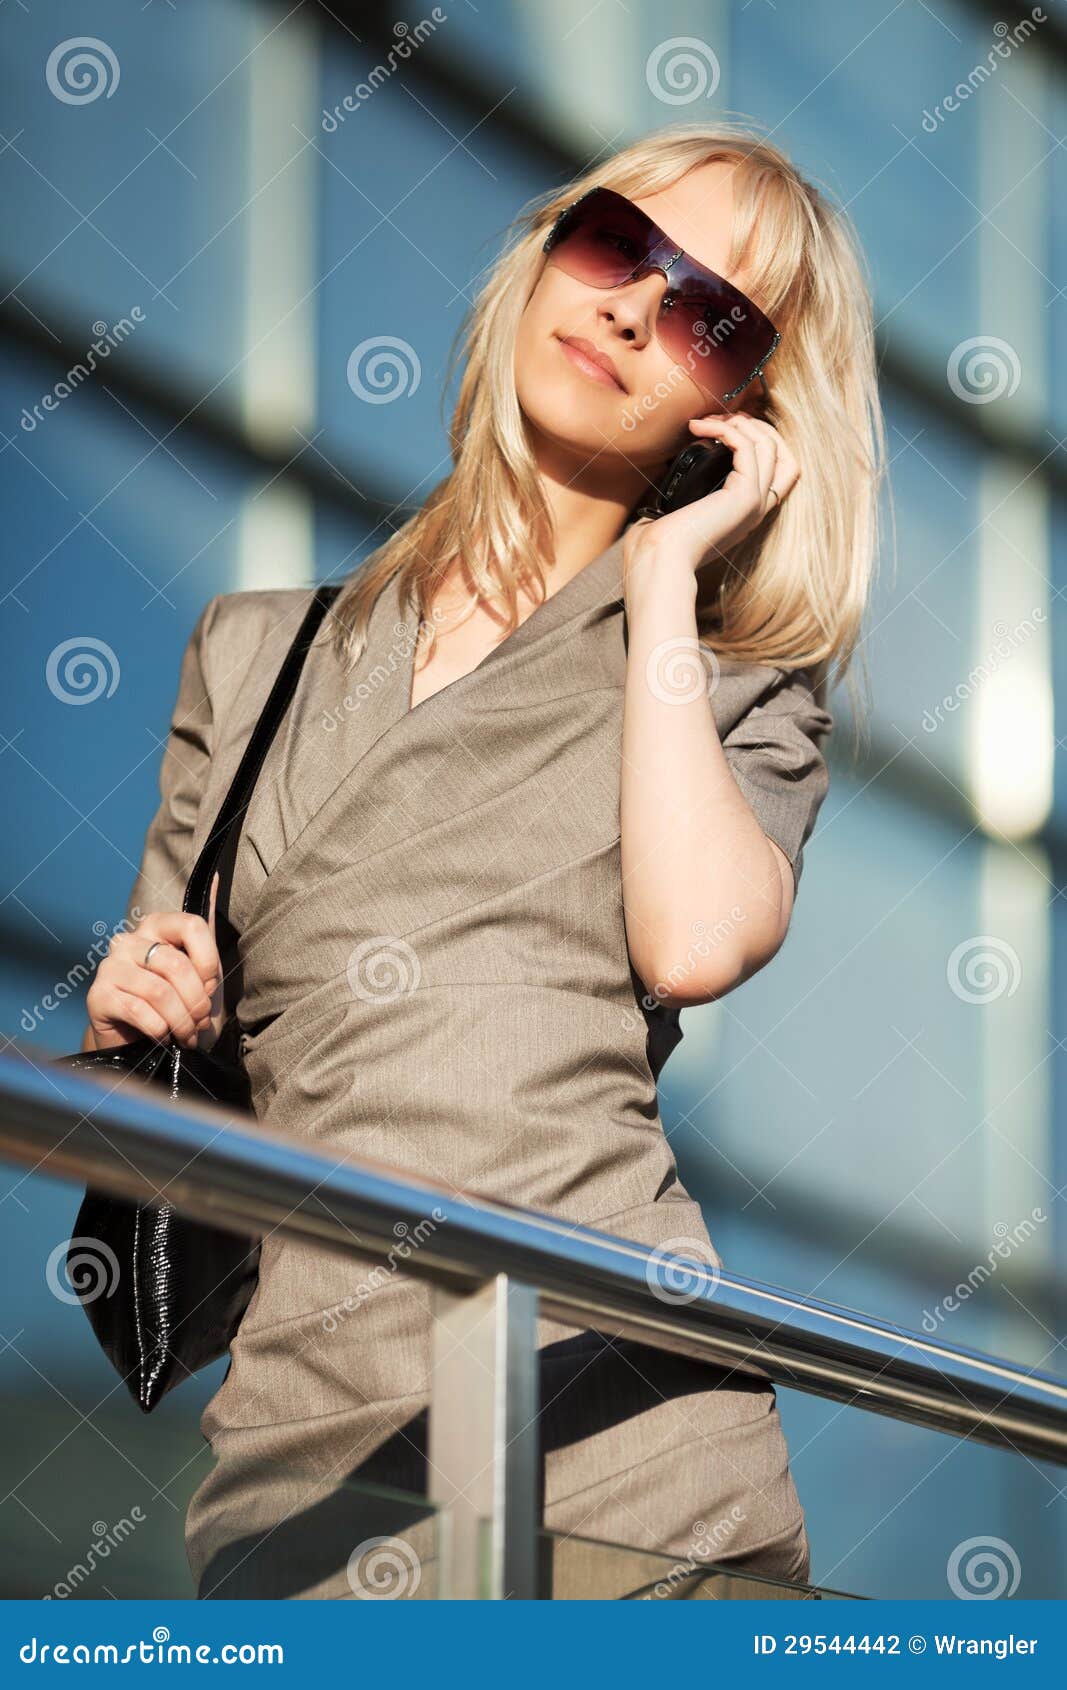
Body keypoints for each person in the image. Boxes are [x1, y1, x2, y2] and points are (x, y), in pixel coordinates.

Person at [82, 122, 884, 1600]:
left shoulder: (728, 675)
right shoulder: (255, 653)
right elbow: (170, 1115)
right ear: (541, 257)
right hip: (312, 1442)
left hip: (621, 1438)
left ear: (746, 405)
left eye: (708, 314)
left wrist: (659, 579)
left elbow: (695, 939)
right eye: (613, 242)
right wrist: (142, 1009)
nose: (634, 306)